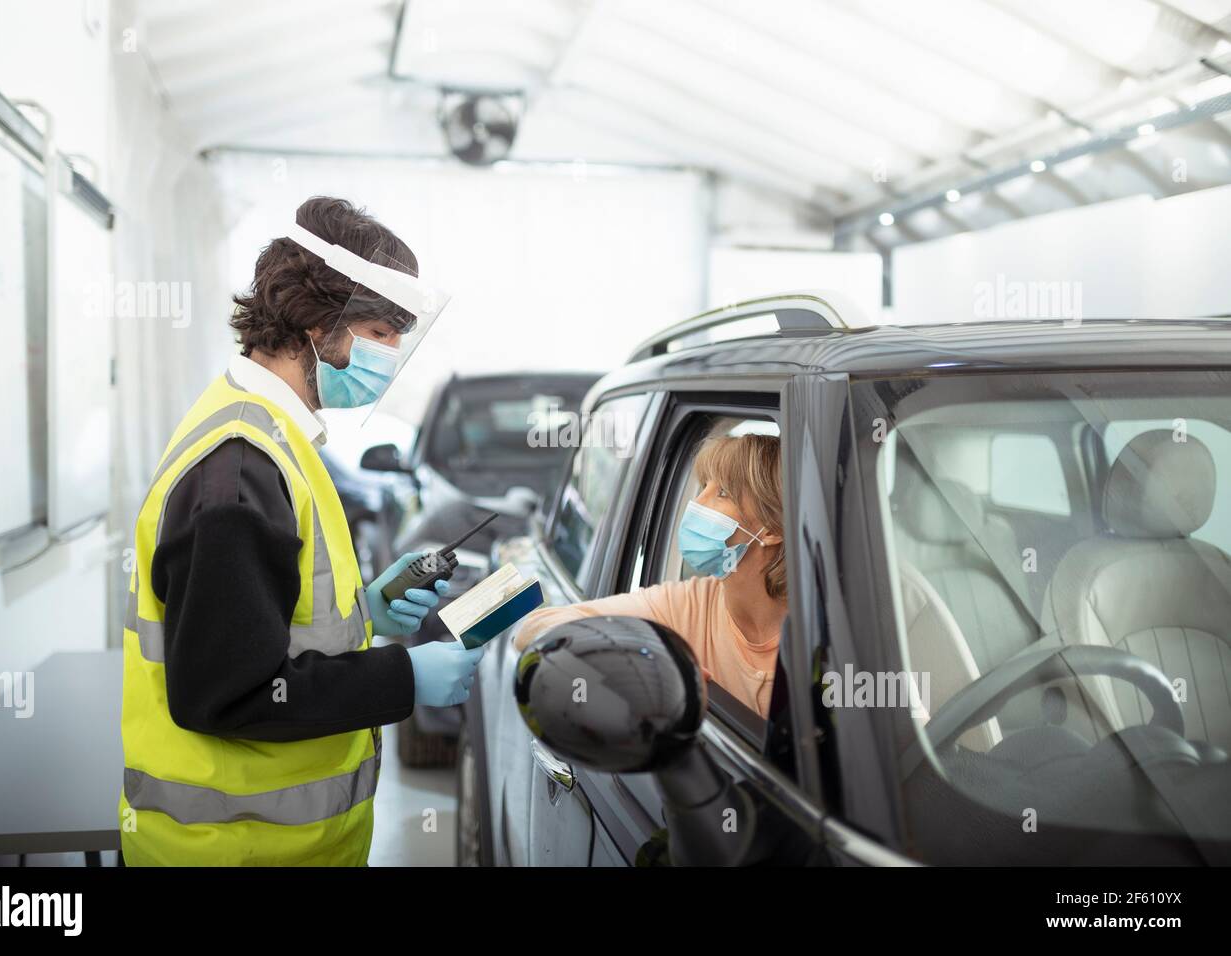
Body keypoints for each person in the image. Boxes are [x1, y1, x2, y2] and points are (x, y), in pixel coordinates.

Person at [119, 196, 482, 866]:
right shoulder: (239, 467)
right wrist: (403, 678)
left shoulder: (265, 429)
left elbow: (257, 627)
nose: (394, 355)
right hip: (235, 848)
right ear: (318, 325)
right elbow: (227, 694)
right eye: (380, 332)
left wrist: (366, 612)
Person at [514, 433, 786, 715]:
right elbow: (532, 631)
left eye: (722, 493)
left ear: (772, 529)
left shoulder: (824, 637)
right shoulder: (689, 603)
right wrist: (638, 665)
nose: (697, 502)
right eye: (703, 485)